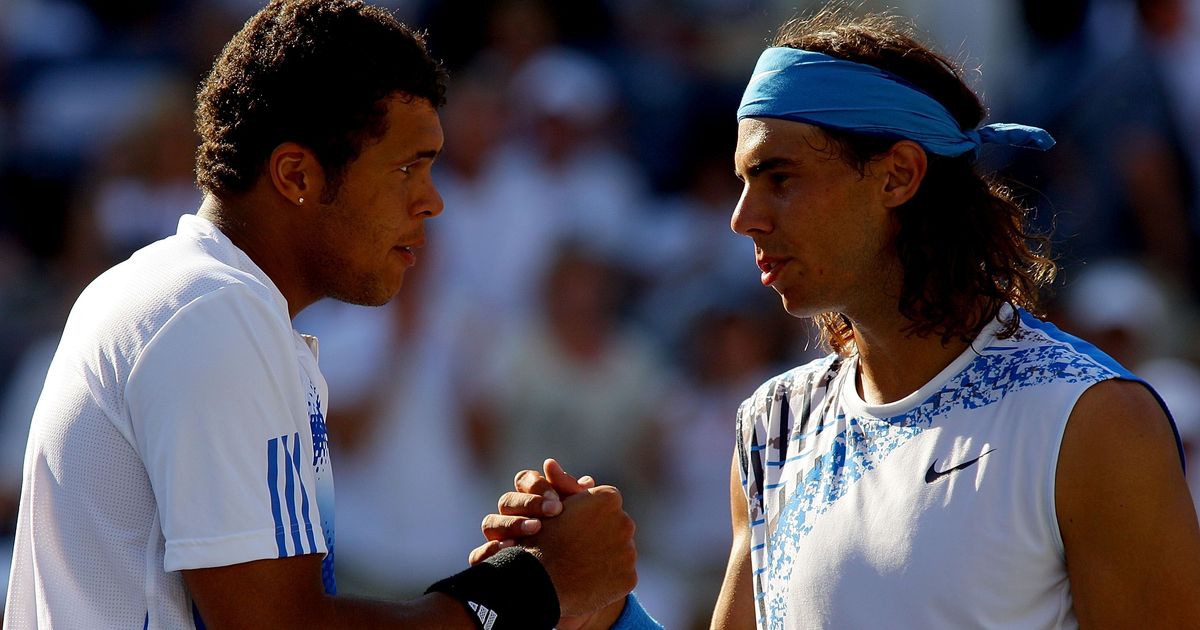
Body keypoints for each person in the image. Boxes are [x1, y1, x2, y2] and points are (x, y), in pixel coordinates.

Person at [477, 7, 1200, 628]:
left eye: (779, 178)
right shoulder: (770, 427)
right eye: (741, 183)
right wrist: (594, 604)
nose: (742, 219)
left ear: (897, 175)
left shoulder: (1093, 422)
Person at [3, 1, 638, 628]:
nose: (433, 202)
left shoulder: (195, 300)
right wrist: (531, 589)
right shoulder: (212, 315)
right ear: (296, 175)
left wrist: (515, 587)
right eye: (407, 168)